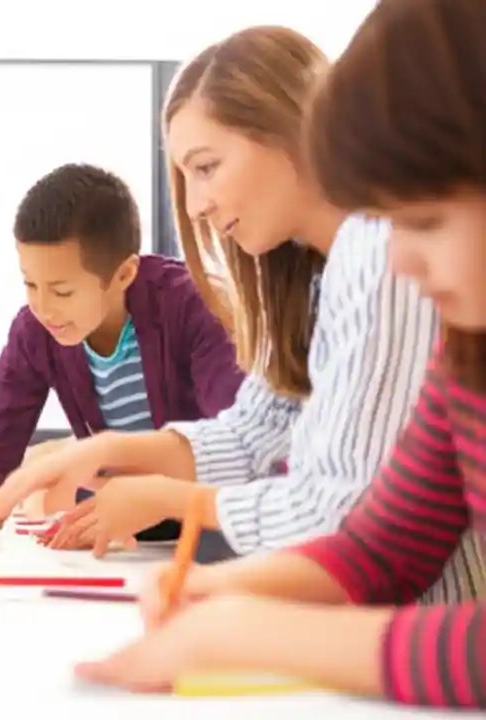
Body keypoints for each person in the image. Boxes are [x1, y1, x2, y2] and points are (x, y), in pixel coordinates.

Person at [0, 25, 483, 596]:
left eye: (207, 167)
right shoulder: (309, 276)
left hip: (423, 620)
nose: (195, 206)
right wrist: (105, 451)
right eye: (185, 177)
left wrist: (173, 500)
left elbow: (337, 510)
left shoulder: (376, 252)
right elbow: (252, 434)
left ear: (289, 129)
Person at [75, 0, 485, 706]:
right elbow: (381, 546)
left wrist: (252, 633)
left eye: (422, 220)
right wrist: (221, 592)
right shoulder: (464, 363)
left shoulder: (386, 274)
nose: (400, 261)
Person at [0, 164, 242, 533]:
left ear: (124, 275)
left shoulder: (193, 306)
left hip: (206, 515)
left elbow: (239, 438)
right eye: (30, 284)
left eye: (62, 291)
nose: (43, 308)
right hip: (123, 516)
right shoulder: (35, 330)